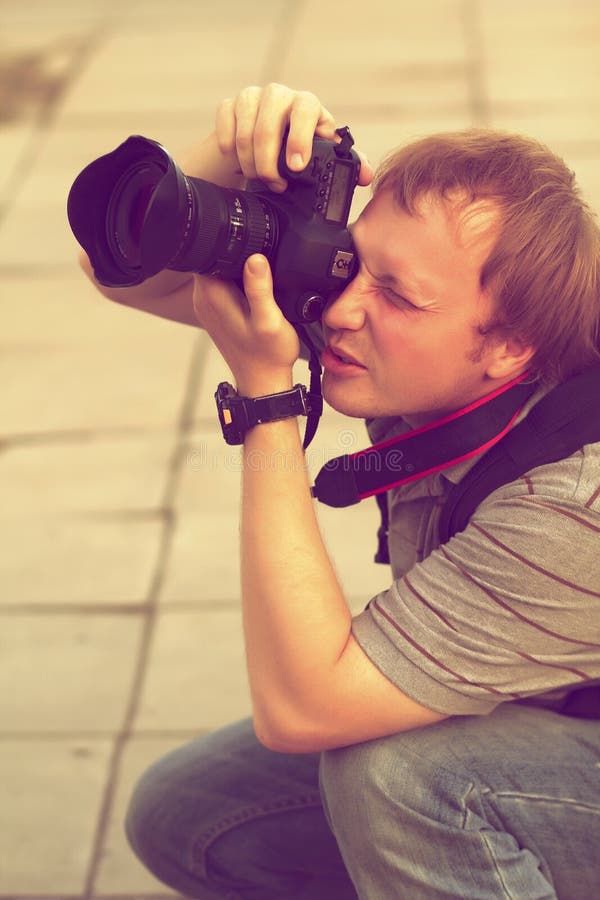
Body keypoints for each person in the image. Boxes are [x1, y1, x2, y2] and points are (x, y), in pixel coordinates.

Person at [80, 84, 600, 899]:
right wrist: (236, 157)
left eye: (396, 295)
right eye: (356, 263)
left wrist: (266, 398)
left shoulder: (576, 505)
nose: (343, 310)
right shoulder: (430, 336)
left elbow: (307, 705)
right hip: (563, 718)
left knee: (401, 778)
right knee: (192, 812)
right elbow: (119, 274)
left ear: (508, 346)